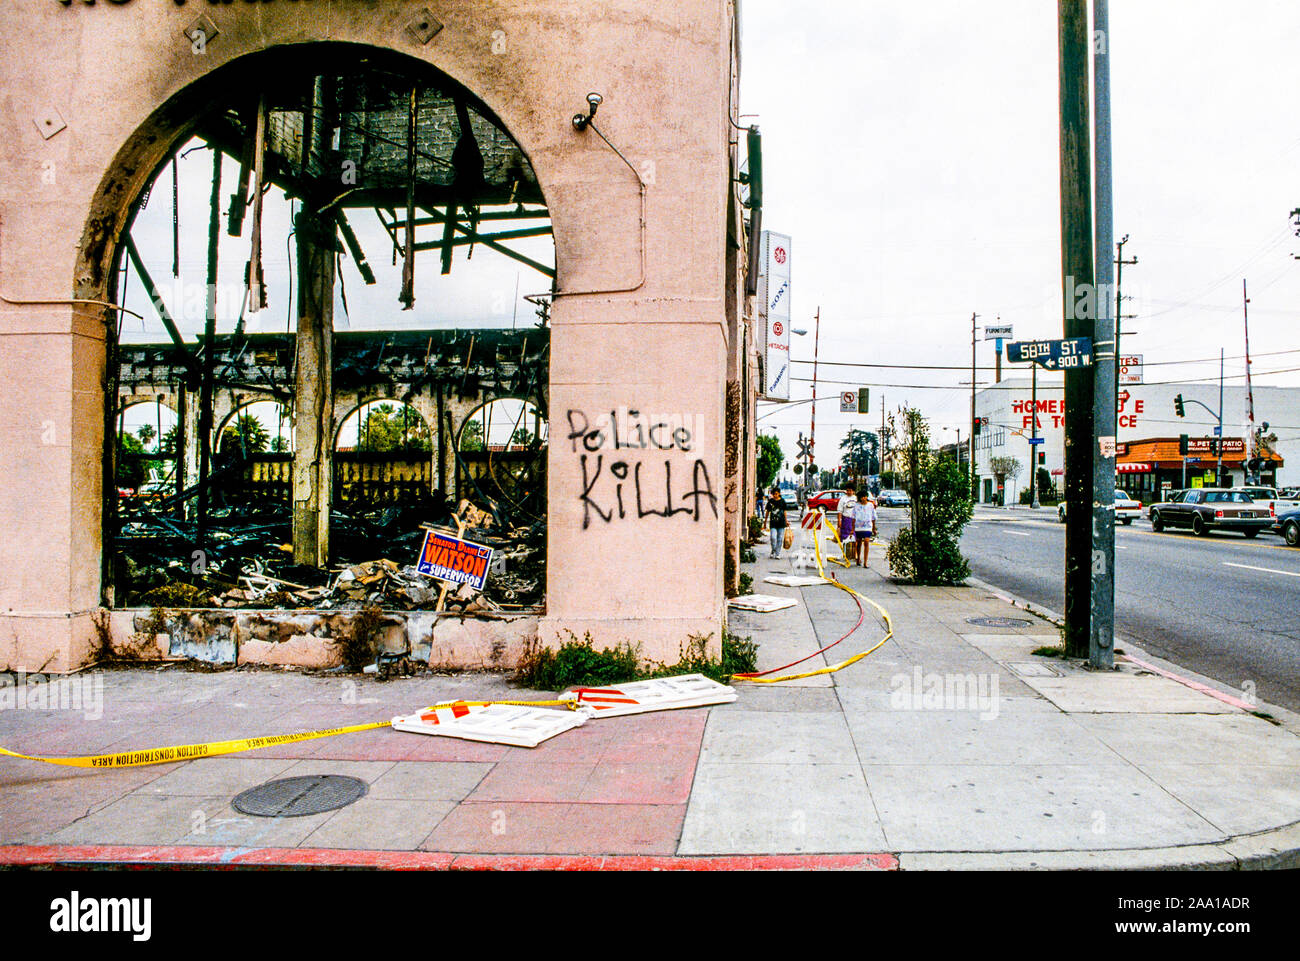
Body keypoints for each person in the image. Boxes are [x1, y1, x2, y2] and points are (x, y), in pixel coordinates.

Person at [852, 488, 877, 567]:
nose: (863, 498)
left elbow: (873, 517)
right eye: (861, 497)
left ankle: (865, 562)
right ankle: (858, 558)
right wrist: (852, 529)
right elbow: (853, 517)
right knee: (858, 543)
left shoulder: (870, 505)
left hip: (868, 526)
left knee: (866, 541)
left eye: (865, 496)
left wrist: (874, 528)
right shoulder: (856, 506)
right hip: (858, 527)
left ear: (867, 497)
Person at [765, 486, 788, 558]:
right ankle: (773, 550)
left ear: (779, 494)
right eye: (774, 494)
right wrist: (765, 521)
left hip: (781, 523)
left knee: (780, 538)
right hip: (773, 523)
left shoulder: (782, 501)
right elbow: (767, 511)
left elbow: (784, 511)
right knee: (773, 537)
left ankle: (777, 553)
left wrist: (786, 521)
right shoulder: (771, 501)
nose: (775, 495)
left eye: (777, 494)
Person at [837, 489, 857, 559]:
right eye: (848, 490)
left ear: (853, 491)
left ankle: (854, 554)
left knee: (855, 537)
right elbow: (839, 511)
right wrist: (839, 521)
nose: (849, 492)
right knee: (845, 537)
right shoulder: (843, 499)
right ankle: (845, 554)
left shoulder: (856, 498)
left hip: (855, 520)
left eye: (851, 490)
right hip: (846, 519)